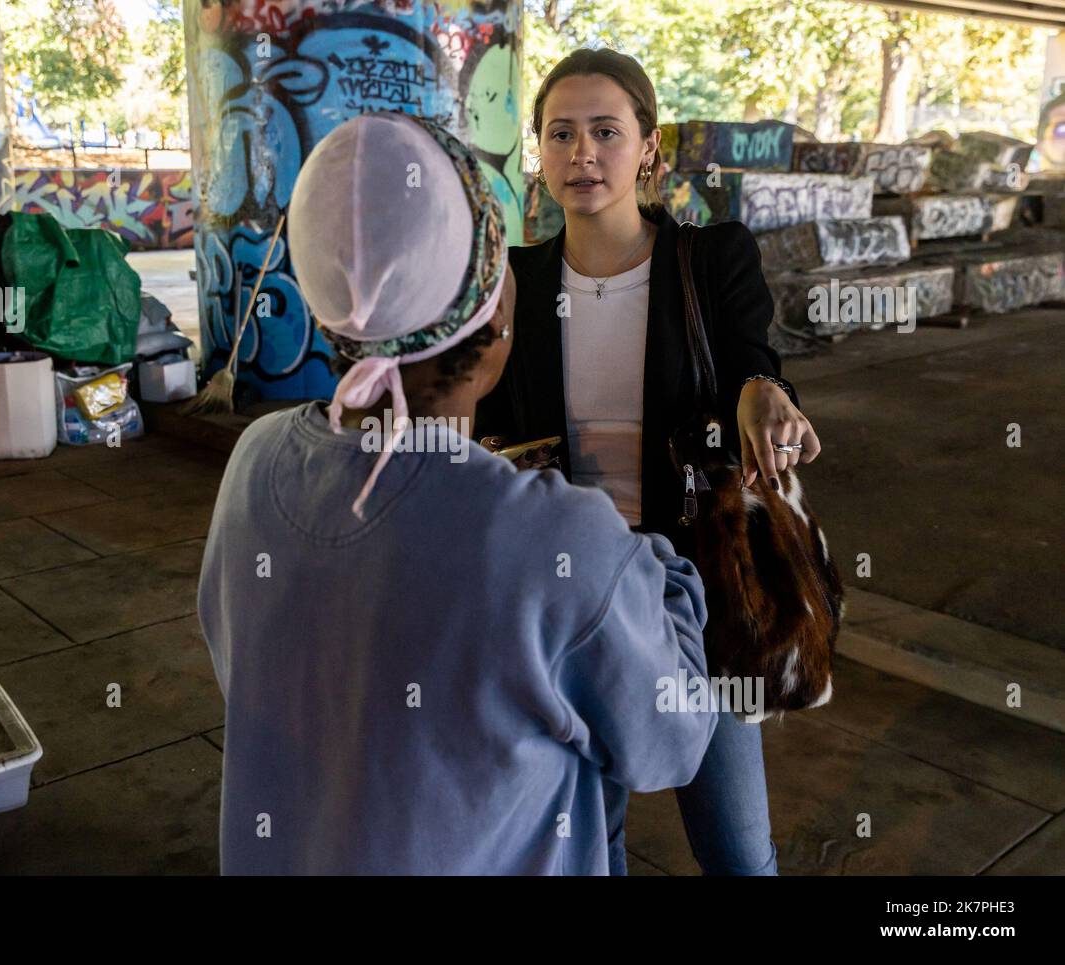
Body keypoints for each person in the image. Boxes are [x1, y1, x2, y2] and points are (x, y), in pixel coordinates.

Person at [197, 110, 718, 875]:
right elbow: (671, 742)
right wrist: (660, 576)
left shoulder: (255, 463)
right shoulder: (560, 540)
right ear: (498, 307)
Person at [477, 47, 824, 876]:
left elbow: (751, 359)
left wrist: (760, 392)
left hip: (700, 586)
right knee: (584, 848)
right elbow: (488, 424)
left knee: (738, 850)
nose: (581, 154)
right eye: (559, 134)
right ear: (540, 152)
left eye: (605, 130)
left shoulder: (711, 259)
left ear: (649, 145)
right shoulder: (516, 279)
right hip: (565, 594)